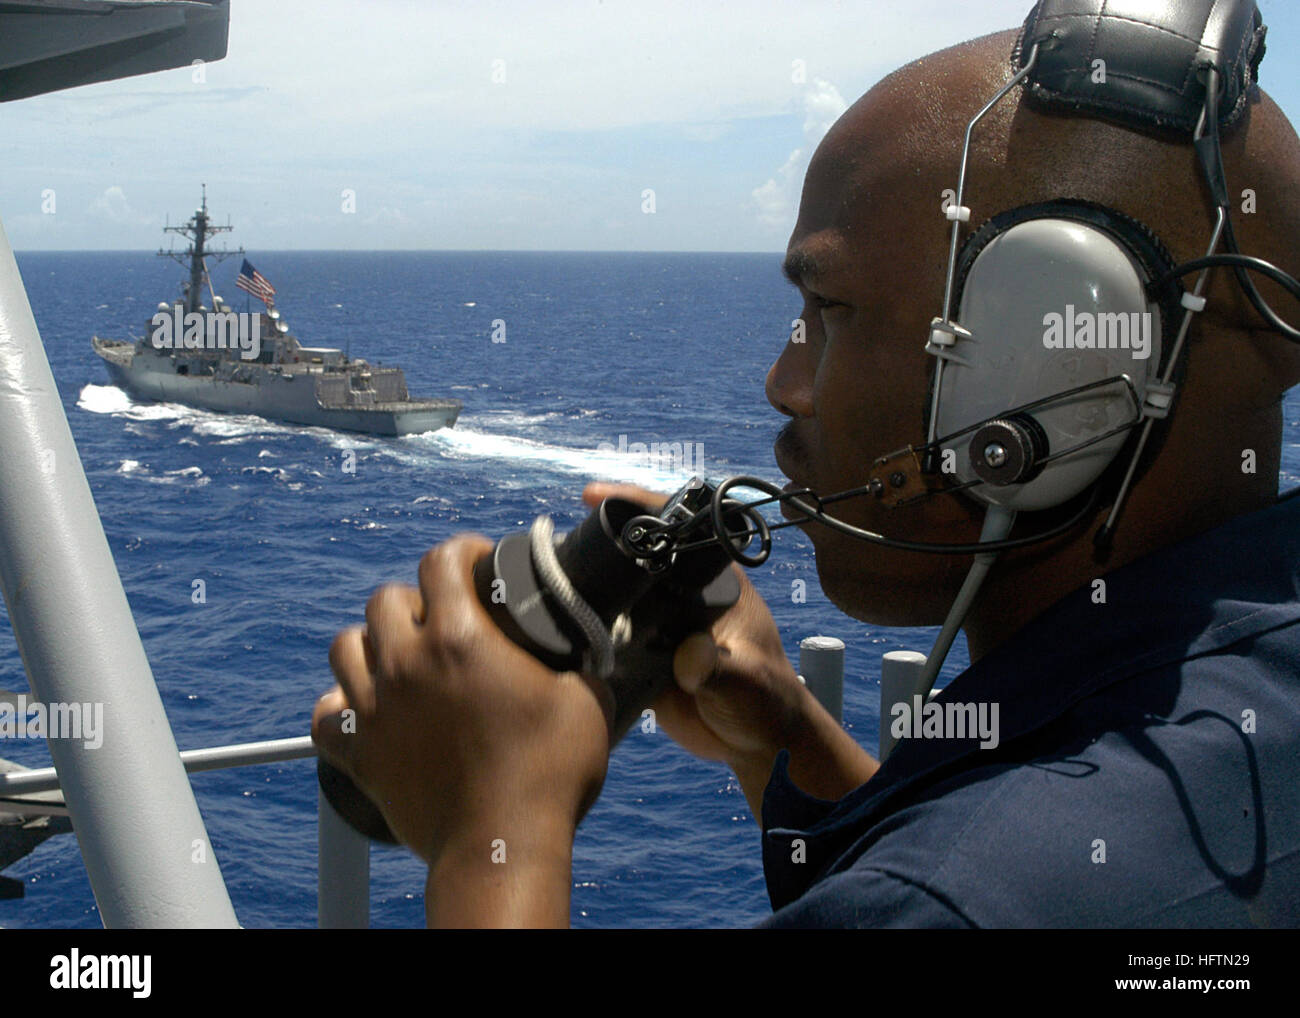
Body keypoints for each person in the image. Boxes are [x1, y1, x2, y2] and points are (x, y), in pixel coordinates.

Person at [310, 25, 1300, 927]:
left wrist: (497, 823)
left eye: (826, 309)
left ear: (1048, 366)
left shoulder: (967, 900)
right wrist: (786, 742)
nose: (783, 383)